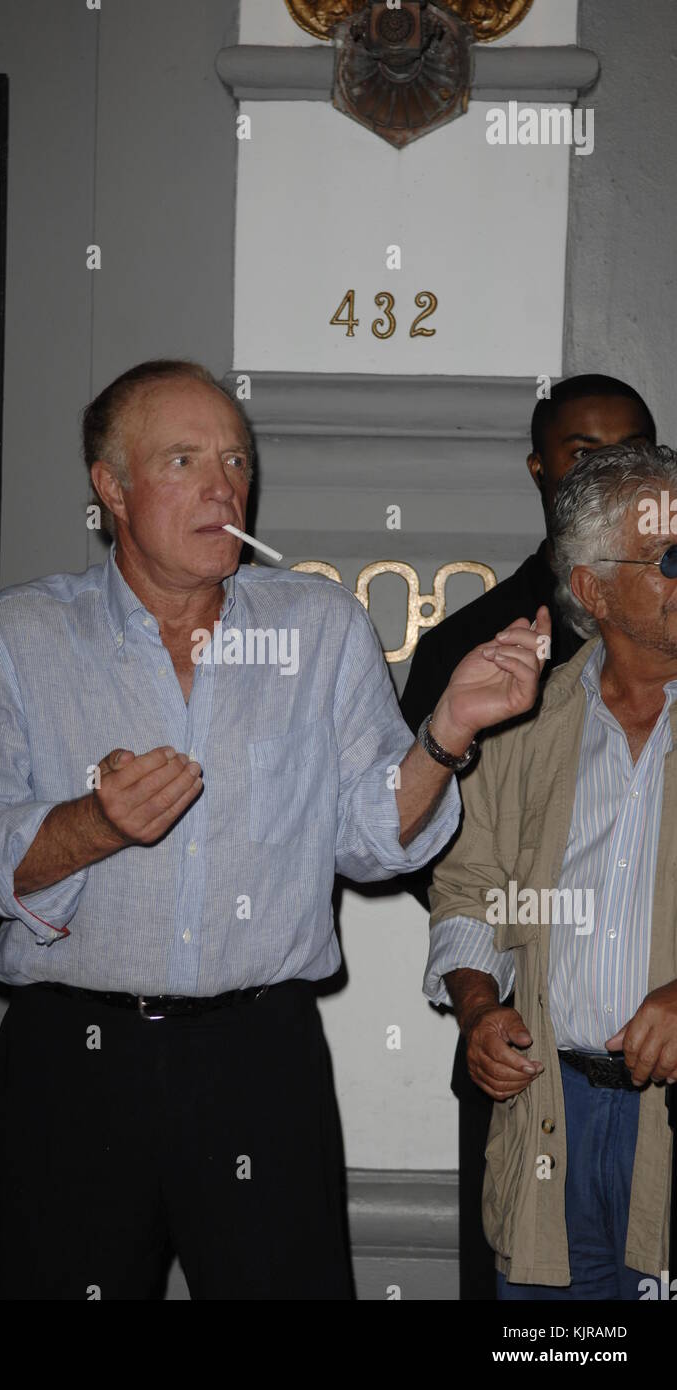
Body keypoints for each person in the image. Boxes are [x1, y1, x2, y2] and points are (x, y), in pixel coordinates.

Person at [0, 358, 547, 1300]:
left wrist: (444, 736)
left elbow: (372, 840)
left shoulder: (321, 628)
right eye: (183, 459)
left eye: (234, 460)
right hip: (73, 1063)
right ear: (111, 487)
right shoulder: (21, 637)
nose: (222, 485)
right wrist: (92, 826)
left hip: (260, 1062)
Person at [400, 375, 656, 1298]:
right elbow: (449, 873)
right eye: (586, 453)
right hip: (543, 1088)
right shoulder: (501, 677)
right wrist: (480, 1001)